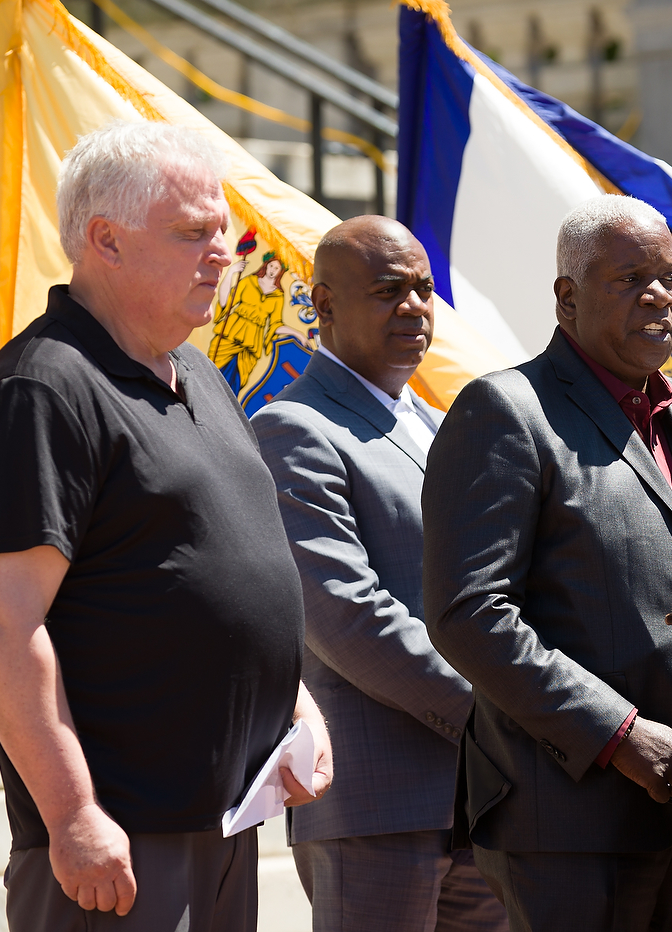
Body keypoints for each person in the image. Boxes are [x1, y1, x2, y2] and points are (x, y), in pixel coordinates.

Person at [0, 121, 332, 932]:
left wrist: (292, 702)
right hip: (120, 846)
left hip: (226, 823)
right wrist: (73, 815)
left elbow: (221, 570)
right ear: (105, 242)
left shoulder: (197, 371)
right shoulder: (44, 388)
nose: (223, 255)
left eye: (223, 234)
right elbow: (0, 616)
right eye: (192, 233)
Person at [421, 194, 672, 931]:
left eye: (670, 278)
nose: (658, 296)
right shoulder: (506, 412)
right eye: (630, 278)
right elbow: (469, 614)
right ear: (567, 297)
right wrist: (620, 735)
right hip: (570, 820)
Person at [251, 216, 507, 932]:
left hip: (486, 796)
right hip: (380, 800)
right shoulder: (293, 429)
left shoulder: (444, 422)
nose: (414, 308)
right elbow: (346, 614)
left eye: (423, 289)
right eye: (389, 290)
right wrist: (498, 714)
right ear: (324, 305)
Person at [209, 249, 286, 392]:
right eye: (271, 266)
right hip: (229, 335)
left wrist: (297, 334)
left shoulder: (278, 296)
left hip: (250, 345)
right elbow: (226, 302)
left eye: (277, 268)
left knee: (234, 385)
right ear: (265, 265)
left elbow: (276, 324)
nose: (273, 270)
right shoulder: (248, 281)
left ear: (280, 272)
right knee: (210, 372)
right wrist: (231, 272)